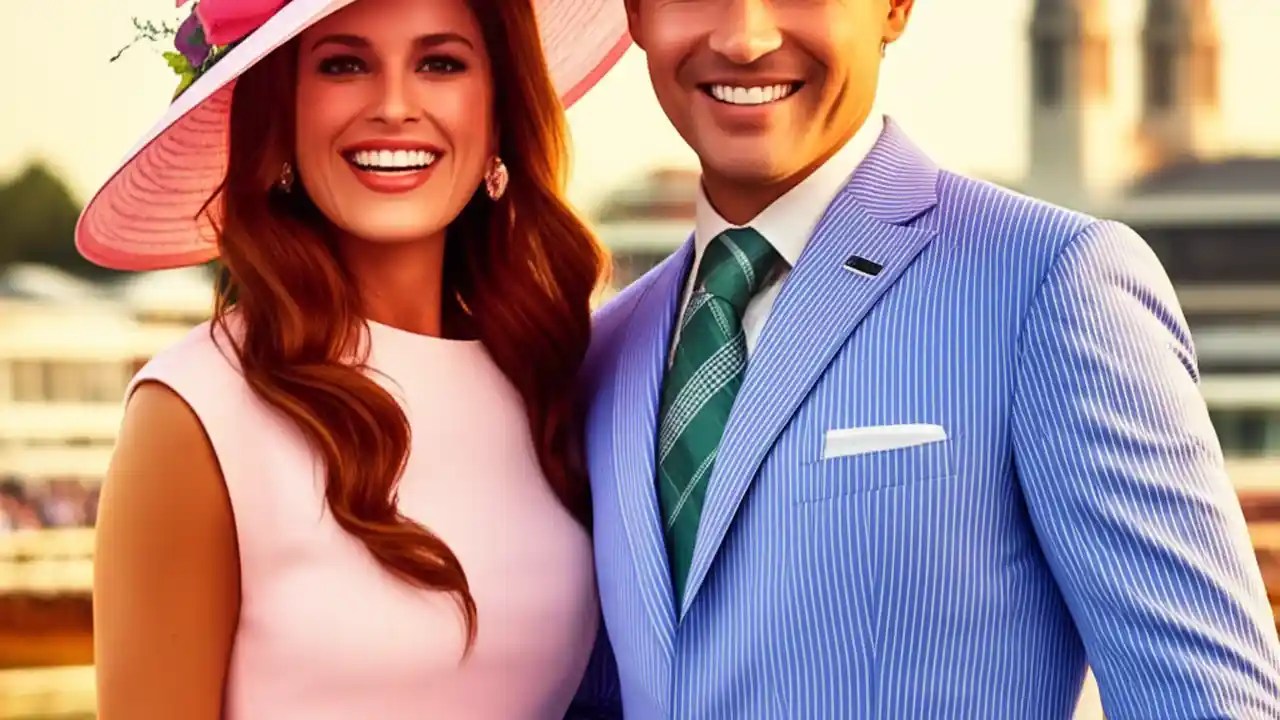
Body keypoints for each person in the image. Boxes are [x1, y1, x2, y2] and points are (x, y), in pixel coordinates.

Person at [580, 0, 1280, 717]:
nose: (744, 37)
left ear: (895, 7)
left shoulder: (1046, 282)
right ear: (635, 12)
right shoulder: (602, 353)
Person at [80, 0, 629, 716]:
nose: (395, 106)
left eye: (440, 63)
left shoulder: (554, 376)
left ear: (497, 111)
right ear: (283, 112)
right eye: (343, 65)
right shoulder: (194, 414)